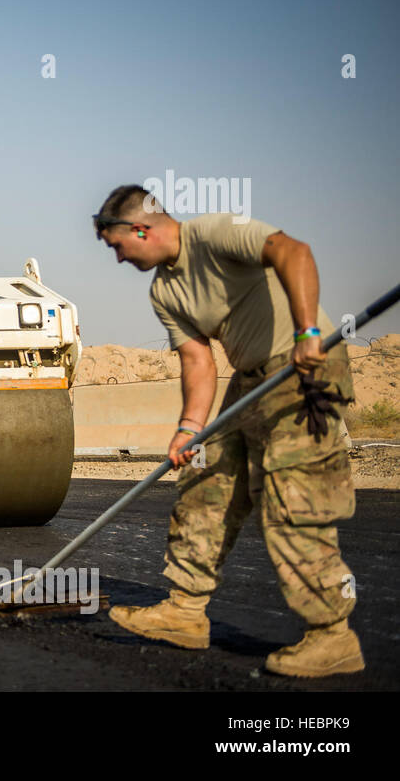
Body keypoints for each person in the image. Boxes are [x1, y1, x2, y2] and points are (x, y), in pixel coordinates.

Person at [93, 184, 362, 678]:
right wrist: (188, 428)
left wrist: (307, 331)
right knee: (206, 478)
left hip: (303, 368)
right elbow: (198, 361)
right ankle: (185, 612)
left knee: (292, 500)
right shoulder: (163, 292)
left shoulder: (216, 232)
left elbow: (294, 252)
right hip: (250, 380)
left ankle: (333, 636)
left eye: (118, 246)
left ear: (140, 229)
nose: (118, 258)